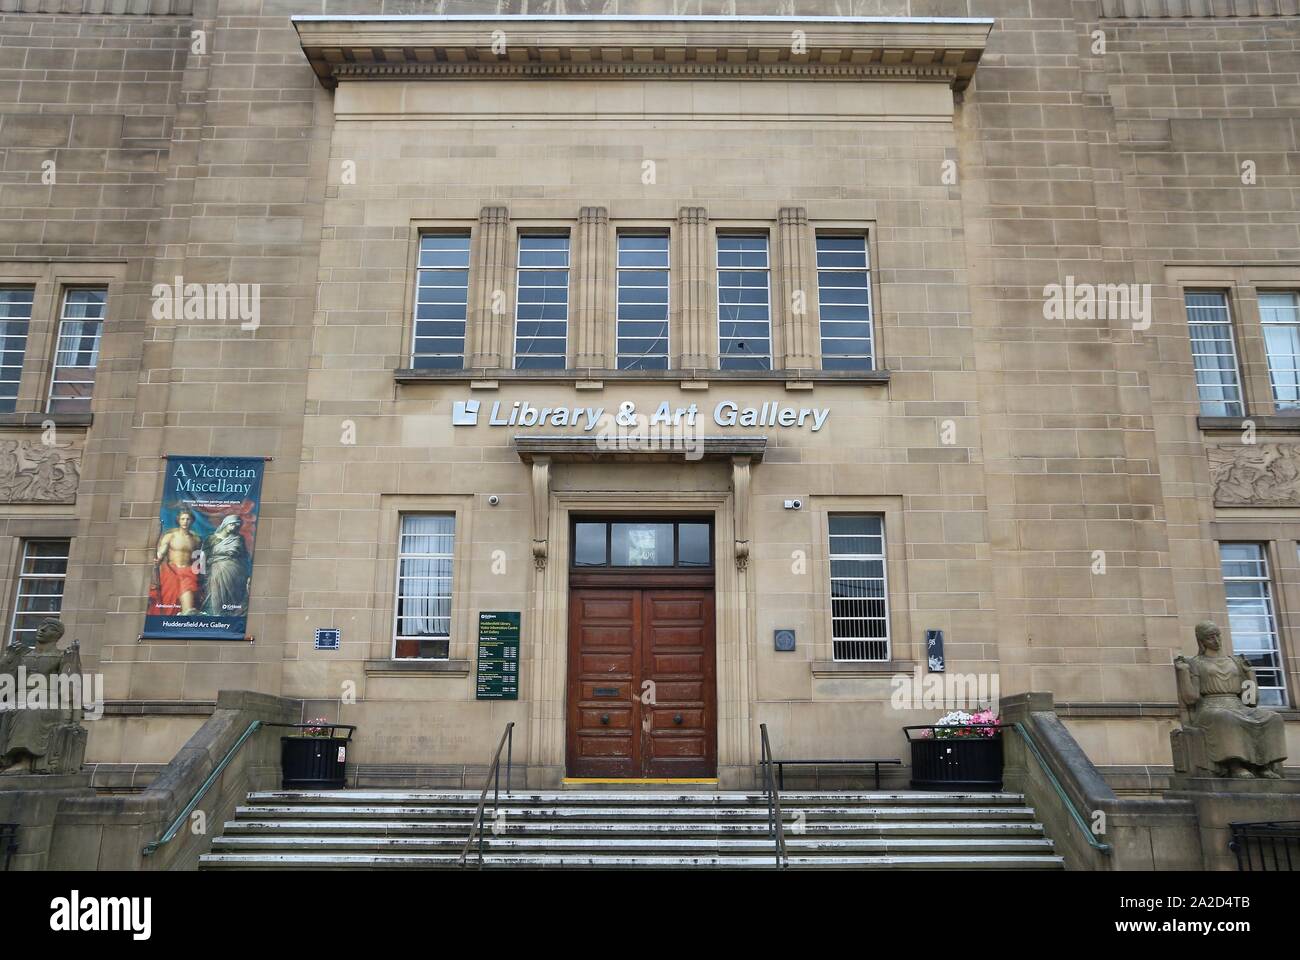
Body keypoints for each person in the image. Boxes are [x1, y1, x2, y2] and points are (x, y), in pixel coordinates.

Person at [1175, 621, 1286, 779]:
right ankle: (1235, 765)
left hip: (1238, 705)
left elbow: (1251, 700)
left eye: (1218, 635)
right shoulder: (1195, 663)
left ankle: (1263, 765)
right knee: (1226, 718)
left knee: (1273, 718)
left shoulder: (1235, 662)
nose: (1216, 640)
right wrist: (1184, 673)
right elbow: (1191, 698)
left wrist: (1250, 674)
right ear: (1201, 641)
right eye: (1210, 637)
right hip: (1210, 708)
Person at [0, 618, 79, 774]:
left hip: (48, 700)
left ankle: (24, 761)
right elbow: (4, 683)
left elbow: (69, 688)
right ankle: (4, 760)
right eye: (40, 626)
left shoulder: (62, 656)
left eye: (48, 628)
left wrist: (71, 662)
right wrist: (8, 658)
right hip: (18, 697)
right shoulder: (23, 655)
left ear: (57, 635)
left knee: (29, 710)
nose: (41, 630)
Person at [152, 508, 202, 615]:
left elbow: (197, 559)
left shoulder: (196, 539)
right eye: (182, 519)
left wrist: (200, 576)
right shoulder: (170, 536)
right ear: (178, 520)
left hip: (188, 574)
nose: (185, 521)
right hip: (171, 573)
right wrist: (158, 558)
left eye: (188, 519)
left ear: (192, 521)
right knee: (168, 603)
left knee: (188, 609)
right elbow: (162, 551)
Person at [202, 514, 251, 617]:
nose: (235, 527)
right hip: (217, 570)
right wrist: (203, 572)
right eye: (232, 524)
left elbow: (244, 556)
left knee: (234, 596)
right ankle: (216, 615)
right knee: (216, 595)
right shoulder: (211, 539)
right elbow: (203, 556)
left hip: (236, 571)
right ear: (226, 523)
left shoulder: (238, 538)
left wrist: (247, 573)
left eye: (238, 526)